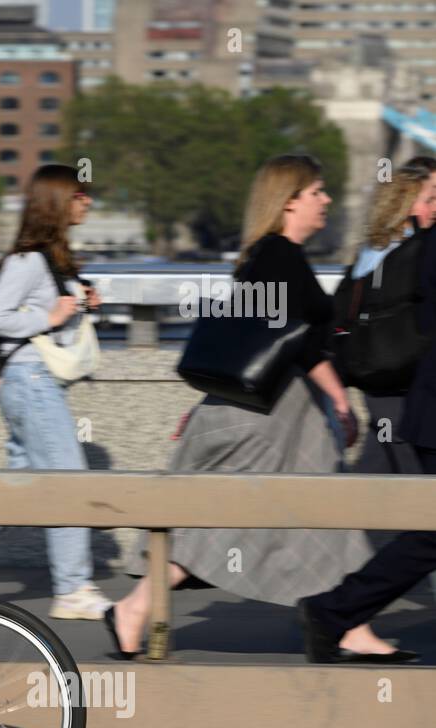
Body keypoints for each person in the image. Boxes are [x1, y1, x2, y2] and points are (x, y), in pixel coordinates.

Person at [109, 154, 404, 660]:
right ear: (289, 200)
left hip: (280, 416)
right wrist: (340, 400)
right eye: (317, 191)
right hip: (274, 419)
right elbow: (302, 344)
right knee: (240, 518)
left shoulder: (268, 255)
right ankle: (136, 607)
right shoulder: (279, 256)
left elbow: (269, 336)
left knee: (295, 515)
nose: (326, 200)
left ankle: (346, 621)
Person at [298, 164, 436, 663]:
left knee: (387, 505)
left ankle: (342, 606)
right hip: (402, 389)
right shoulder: (410, 251)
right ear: (407, 201)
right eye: (431, 195)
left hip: (385, 387)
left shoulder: (371, 253)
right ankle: (342, 608)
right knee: (412, 514)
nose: (435, 206)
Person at [0, 164, 112, 621]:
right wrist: (49, 319)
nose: (86, 202)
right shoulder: (27, 259)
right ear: (56, 202)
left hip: (35, 382)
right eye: (78, 195)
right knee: (68, 482)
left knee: (18, 483)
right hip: (31, 382)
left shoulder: (52, 258)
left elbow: (48, 309)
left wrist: (80, 304)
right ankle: (73, 589)